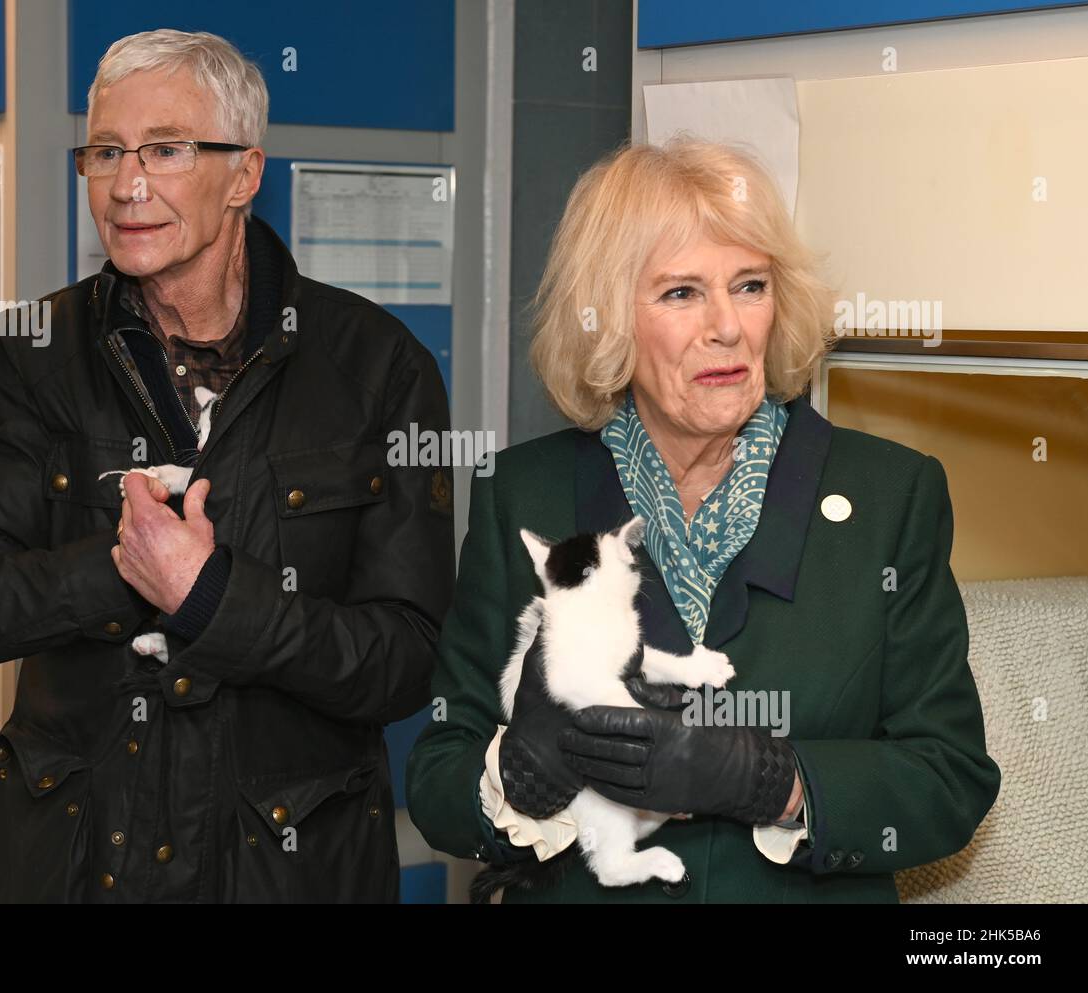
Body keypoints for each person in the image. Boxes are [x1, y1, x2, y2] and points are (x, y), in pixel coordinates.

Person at [0, 28, 453, 903]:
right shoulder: (40, 354)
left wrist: (210, 597)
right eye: (106, 152)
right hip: (73, 866)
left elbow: (405, 662)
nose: (128, 185)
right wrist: (121, 570)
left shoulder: (379, 369)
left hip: (286, 872)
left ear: (244, 174)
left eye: (166, 150)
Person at [406, 136, 1001, 903]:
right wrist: (518, 773)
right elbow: (436, 773)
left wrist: (776, 783)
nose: (727, 326)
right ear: (609, 318)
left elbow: (950, 777)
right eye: (681, 293)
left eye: (750, 285)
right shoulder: (525, 492)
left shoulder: (890, 494)